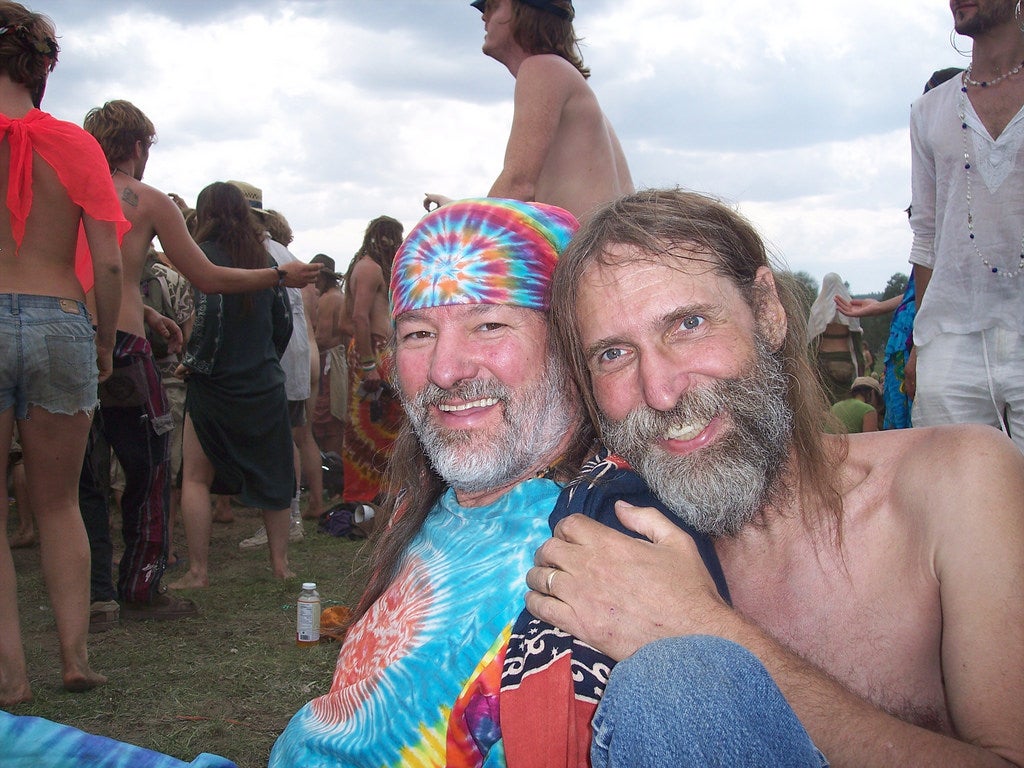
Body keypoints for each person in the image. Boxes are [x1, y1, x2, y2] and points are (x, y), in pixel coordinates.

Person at [528, 188, 1024, 766]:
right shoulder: (617, 553)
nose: (660, 392)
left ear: (767, 312)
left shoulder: (956, 483)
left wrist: (703, 627)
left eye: (688, 324)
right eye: (612, 354)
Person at [272, 198, 732, 767]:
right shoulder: (437, 502)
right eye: (417, 333)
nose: (445, 370)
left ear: (570, 346)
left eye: (489, 325)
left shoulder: (601, 551)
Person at [78, 100, 319, 623]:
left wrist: (159, 324)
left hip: (75, 333)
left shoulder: (68, 189)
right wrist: (280, 278)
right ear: (139, 146)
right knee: (148, 473)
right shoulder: (149, 202)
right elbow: (211, 284)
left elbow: (93, 273)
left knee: (87, 480)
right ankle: (145, 586)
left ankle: (98, 590)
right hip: (148, 353)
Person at [0, 1, 126, 706]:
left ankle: (10, 673)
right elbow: (107, 265)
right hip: (58, 318)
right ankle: (74, 658)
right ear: (44, 66)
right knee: (57, 503)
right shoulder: (75, 144)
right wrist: (104, 337)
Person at [168, 182, 296, 590]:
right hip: (262, 381)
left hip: (216, 385)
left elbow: (208, 316)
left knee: (196, 479)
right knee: (275, 476)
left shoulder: (203, 257)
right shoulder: (264, 258)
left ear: (204, 215)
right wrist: (265, 359)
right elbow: (284, 322)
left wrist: (194, 363)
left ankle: (198, 571)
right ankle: (280, 566)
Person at [908, 0, 1024, 451]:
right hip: (951, 340)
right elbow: (926, 234)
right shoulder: (929, 111)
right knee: (952, 493)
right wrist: (922, 340)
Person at [423, 0, 632, 223]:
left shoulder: (542, 68)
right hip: (606, 249)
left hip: (579, 253)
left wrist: (465, 233)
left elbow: (518, 185)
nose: (484, 17)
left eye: (492, 6)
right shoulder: (572, 84)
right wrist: (459, 210)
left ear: (524, 12)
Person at [227, 181, 309, 551]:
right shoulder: (280, 250)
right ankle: (287, 515)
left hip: (276, 360)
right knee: (287, 438)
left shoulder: (258, 254)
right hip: (290, 358)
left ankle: (286, 517)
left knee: (279, 442)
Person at [339, 215, 404, 509]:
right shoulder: (370, 268)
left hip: (374, 351)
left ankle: (379, 492)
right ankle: (365, 494)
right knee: (372, 428)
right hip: (373, 355)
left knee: (381, 426)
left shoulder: (365, 266)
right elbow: (356, 318)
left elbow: (346, 321)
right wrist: (368, 363)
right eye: (396, 237)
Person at [309, 253, 349, 462]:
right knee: (334, 414)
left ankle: (329, 466)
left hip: (328, 363)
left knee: (325, 417)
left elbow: (322, 338)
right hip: (337, 362)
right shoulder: (339, 296)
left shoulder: (328, 299)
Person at [806, 272, 865, 404]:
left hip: (824, 360)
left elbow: (812, 341)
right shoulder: (849, 309)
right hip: (845, 361)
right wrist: (861, 375)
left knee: (827, 402)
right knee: (845, 400)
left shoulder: (818, 309)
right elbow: (856, 343)